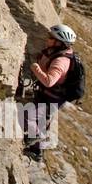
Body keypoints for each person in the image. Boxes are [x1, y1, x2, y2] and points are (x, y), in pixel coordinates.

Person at [20, 23, 77, 161]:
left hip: (52, 96)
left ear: (60, 42)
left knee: (26, 115)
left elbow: (49, 81)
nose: (48, 38)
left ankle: (37, 138)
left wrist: (36, 69)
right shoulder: (54, 52)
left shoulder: (61, 61)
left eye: (51, 37)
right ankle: (36, 152)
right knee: (40, 120)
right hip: (49, 94)